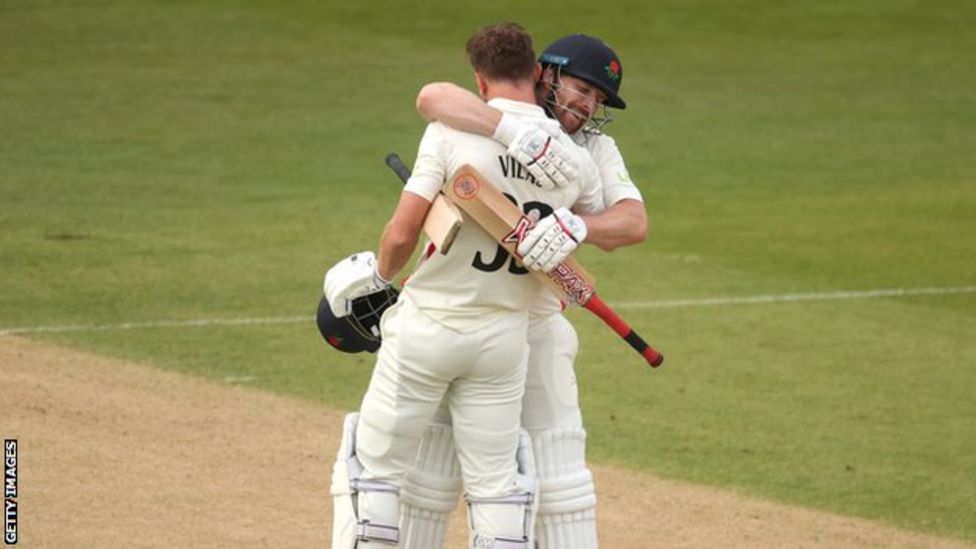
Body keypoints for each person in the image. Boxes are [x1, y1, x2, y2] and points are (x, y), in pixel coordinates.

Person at [323, 23, 605, 549]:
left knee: (375, 472)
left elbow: (403, 232)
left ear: (480, 82)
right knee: (498, 491)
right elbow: (615, 221)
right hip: (503, 342)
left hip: (428, 326)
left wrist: (379, 277)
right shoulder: (574, 164)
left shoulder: (450, 132)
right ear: (539, 74)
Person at [399, 34, 646, 549]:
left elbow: (633, 222)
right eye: (582, 88)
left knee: (560, 484)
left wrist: (580, 228)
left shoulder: (594, 148)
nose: (588, 104)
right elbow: (431, 97)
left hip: (536, 322)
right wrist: (516, 133)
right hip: (456, 314)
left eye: (599, 99)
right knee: (428, 478)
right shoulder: (490, 117)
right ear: (544, 73)